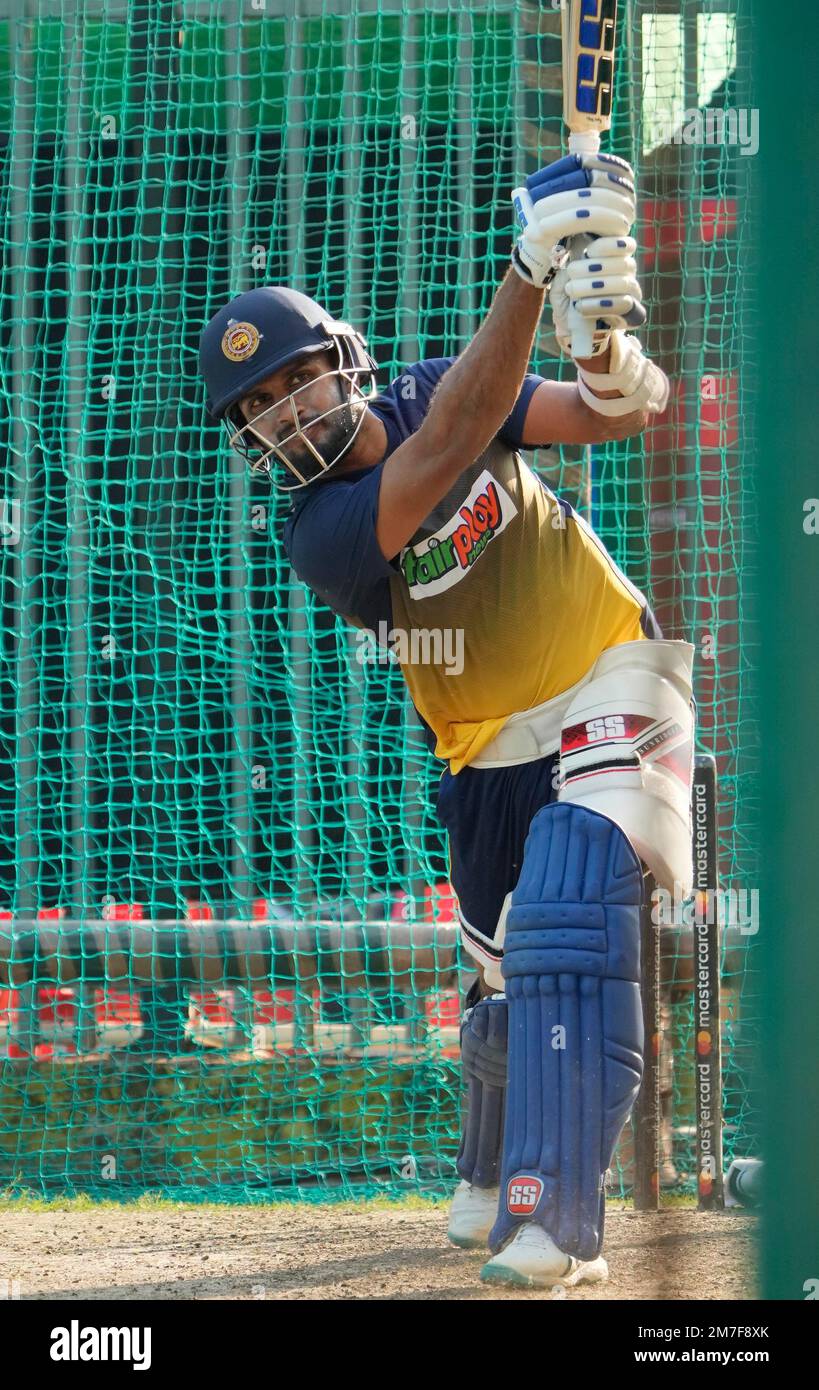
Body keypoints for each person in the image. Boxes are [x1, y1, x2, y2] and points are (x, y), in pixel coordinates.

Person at [198, 152, 695, 1289]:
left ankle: (551, 1220)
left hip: (618, 672)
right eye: (260, 410)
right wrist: (529, 271)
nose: (286, 413)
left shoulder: (435, 381)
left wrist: (605, 347)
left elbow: (622, 413)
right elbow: (447, 446)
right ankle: (487, 1173)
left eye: (295, 380)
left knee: (570, 920)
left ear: (344, 359)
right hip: (488, 755)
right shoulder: (322, 530)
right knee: (505, 1001)